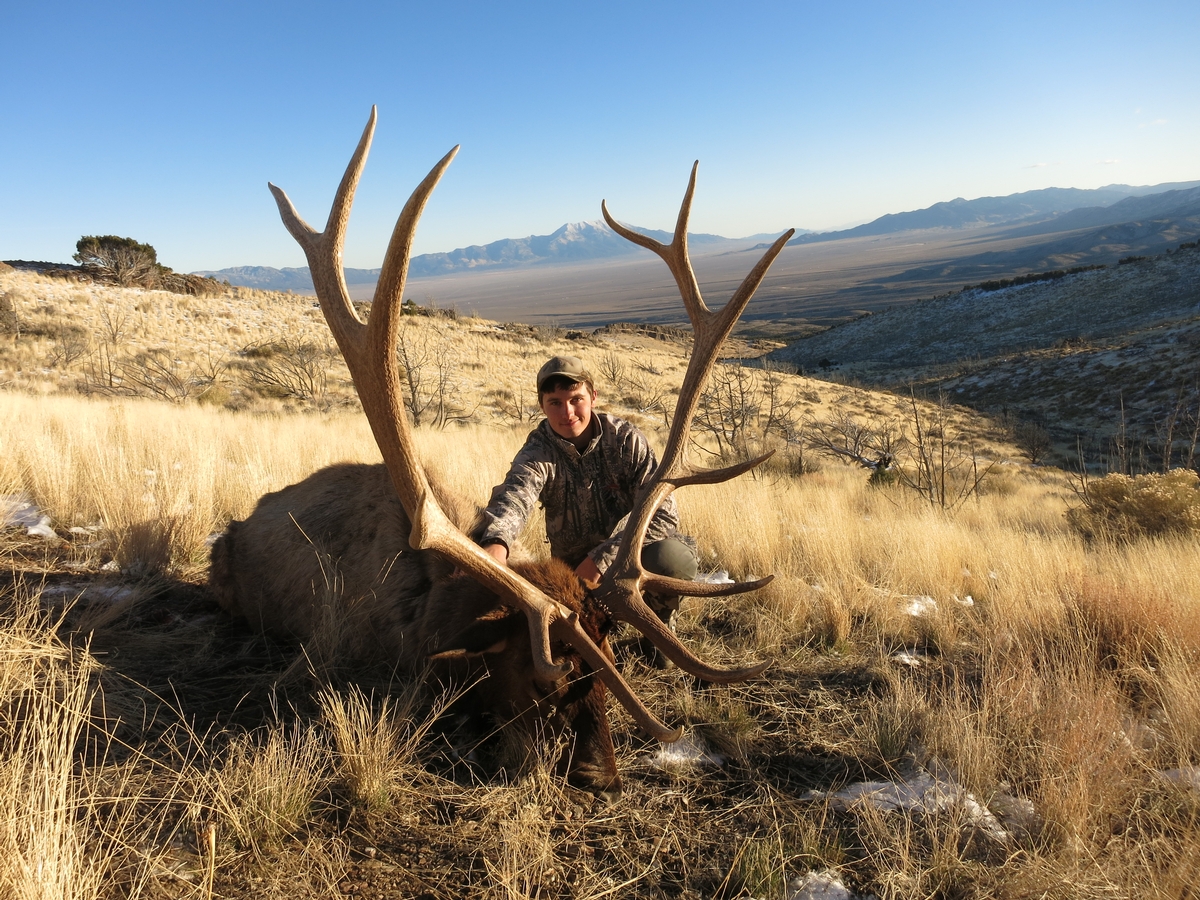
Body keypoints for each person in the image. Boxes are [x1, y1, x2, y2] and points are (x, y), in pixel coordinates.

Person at [477, 355, 698, 659]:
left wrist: (600, 560)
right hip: (569, 575)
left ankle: (657, 627)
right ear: (542, 405)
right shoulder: (538, 450)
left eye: (576, 399)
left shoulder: (626, 441)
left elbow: (662, 514)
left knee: (672, 558)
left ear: (593, 397)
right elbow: (515, 495)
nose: (567, 412)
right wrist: (496, 545)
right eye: (554, 402)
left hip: (626, 562)